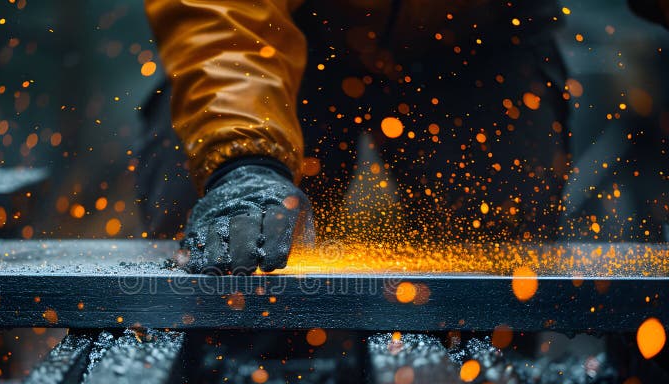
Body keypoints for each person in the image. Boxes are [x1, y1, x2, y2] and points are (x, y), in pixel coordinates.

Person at [145, 0, 669, 274]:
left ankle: (482, 381)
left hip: (481, 43)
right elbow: (219, 15)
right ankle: (235, 368)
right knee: (230, 223)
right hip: (289, 42)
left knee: (504, 247)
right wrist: (241, 162)